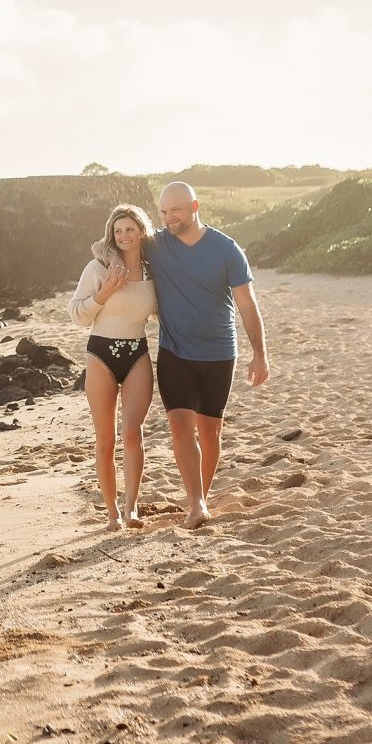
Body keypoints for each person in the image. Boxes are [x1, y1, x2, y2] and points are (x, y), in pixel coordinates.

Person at [150, 181, 269, 530]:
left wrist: (260, 354)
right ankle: (196, 502)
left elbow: (247, 304)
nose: (169, 217)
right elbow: (119, 243)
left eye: (176, 210)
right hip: (174, 350)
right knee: (179, 424)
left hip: (218, 352)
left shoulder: (226, 249)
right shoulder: (156, 245)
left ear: (195, 206)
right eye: (164, 212)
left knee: (210, 429)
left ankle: (200, 493)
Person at [68, 204, 158, 529]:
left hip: (137, 353)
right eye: (118, 231)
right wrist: (104, 293)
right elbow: (77, 314)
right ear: (112, 234)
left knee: (133, 433)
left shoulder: (152, 270)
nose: (123, 236)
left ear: (142, 232)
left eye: (130, 230)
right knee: (106, 440)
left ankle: (131, 508)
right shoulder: (98, 267)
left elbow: (167, 309)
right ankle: (112, 513)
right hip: (101, 354)